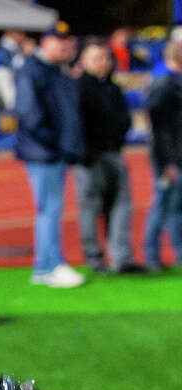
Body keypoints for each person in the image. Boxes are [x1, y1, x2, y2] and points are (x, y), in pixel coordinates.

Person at [15, 22, 86, 288]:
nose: (66, 46)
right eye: (59, 41)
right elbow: (30, 114)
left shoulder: (58, 70)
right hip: (43, 152)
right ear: (45, 42)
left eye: (69, 41)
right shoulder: (33, 70)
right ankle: (49, 265)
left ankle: (47, 265)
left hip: (52, 150)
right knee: (49, 209)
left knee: (50, 208)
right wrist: (55, 144)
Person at [75, 43, 139, 273]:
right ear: (84, 61)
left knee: (122, 205)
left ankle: (121, 259)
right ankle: (94, 259)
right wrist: (84, 153)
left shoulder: (113, 87)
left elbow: (124, 119)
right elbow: (77, 124)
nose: (102, 62)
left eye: (105, 57)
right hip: (90, 158)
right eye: (96, 58)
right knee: (91, 208)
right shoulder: (79, 88)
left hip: (114, 153)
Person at [142, 39, 182, 271]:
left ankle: (176, 252)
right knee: (164, 204)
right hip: (169, 159)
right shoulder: (165, 85)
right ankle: (151, 255)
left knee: (175, 206)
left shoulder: (171, 83)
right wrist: (167, 161)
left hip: (175, 157)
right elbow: (159, 129)